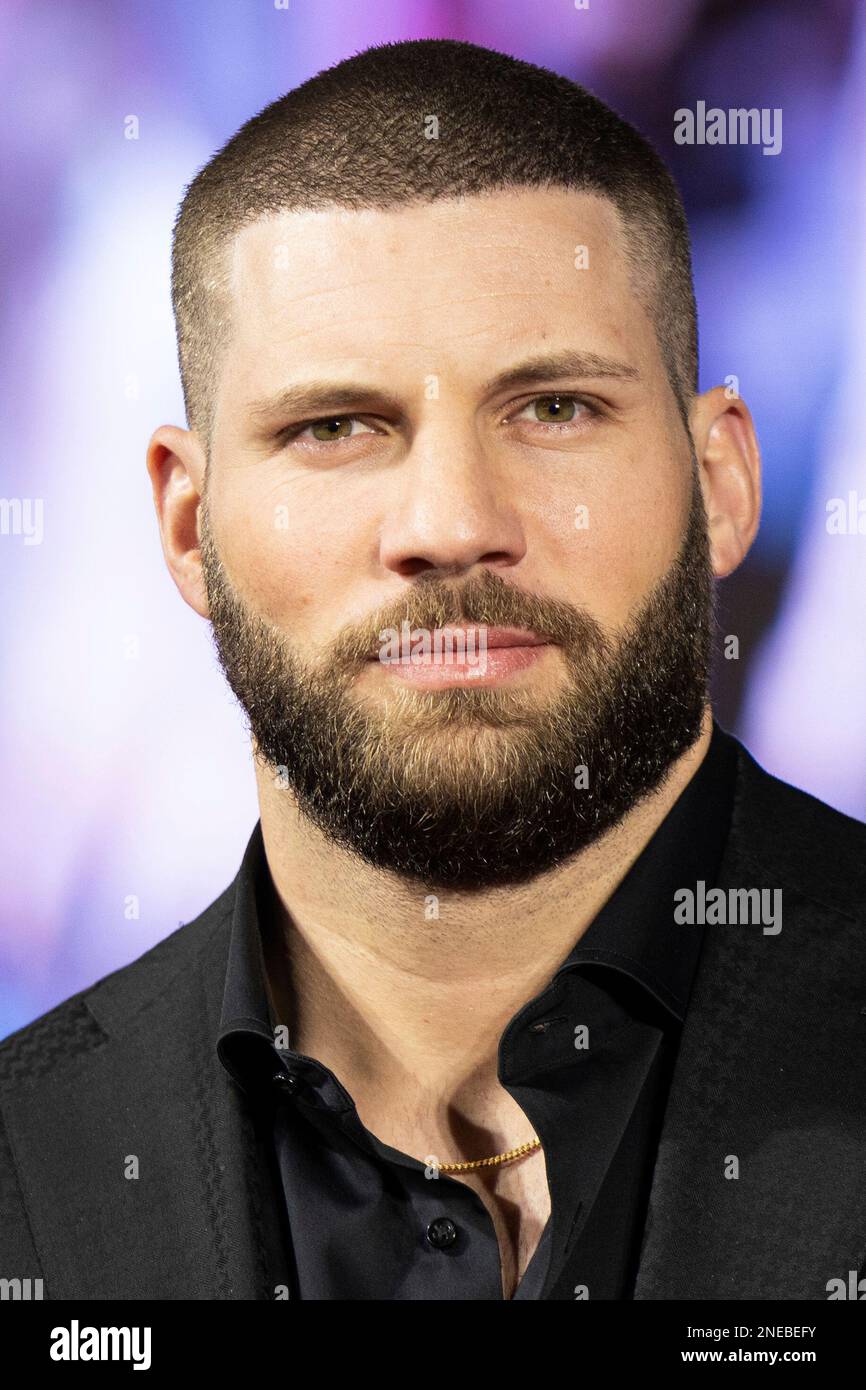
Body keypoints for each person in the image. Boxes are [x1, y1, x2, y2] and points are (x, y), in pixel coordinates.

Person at [2, 38, 864, 1302]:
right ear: (189, 526)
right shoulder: (31, 1174)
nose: (451, 520)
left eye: (553, 408)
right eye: (336, 427)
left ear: (720, 482)